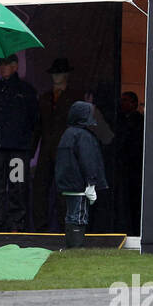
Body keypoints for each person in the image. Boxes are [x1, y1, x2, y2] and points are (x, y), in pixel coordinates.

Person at [0, 55, 39, 232]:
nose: (2, 68)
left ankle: (16, 223)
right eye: (1, 65)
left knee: (17, 187)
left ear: (15, 66)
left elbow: (34, 121)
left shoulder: (26, 90)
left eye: (6, 65)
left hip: (18, 149)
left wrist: (28, 147)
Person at [32, 58, 84, 232]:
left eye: (59, 73)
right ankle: (40, 227)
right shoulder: (45, 97)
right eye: (54, 73)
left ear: (66, 75)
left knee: (64, 191)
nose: (56, 76)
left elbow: (80, 126)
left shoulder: (76, 97)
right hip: (46, 149)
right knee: (40, 188)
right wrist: (32, 149)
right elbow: (38, 124)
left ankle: (65, 227)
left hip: (66, 150)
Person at [55, 101, 108, 247]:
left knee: (71, 215)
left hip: (69, 184)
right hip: (80, 186)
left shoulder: (68, 133)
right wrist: (91, 183)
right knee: (78, 216)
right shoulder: (83, 136)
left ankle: (72, 246)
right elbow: (88, 161)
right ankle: (75, 249)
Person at [114, 91, 145, 234]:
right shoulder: (118, 120)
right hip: (121, 167)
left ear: (134, 103)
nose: (122, 103)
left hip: (135, 168)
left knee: (134, 201)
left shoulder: (139, 120)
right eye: (121, 100)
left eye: (126, 100)